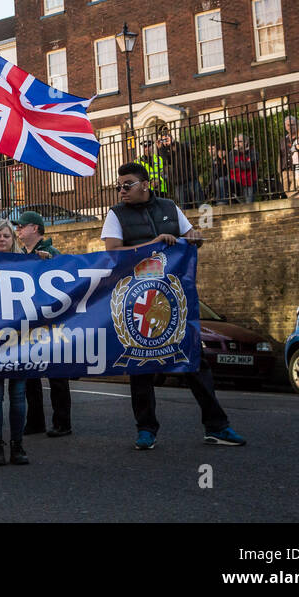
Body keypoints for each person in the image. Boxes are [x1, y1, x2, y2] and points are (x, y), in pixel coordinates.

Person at [102, 162, 246, 450]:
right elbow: (112, 253)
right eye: (118, 186)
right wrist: (151, 244)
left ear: (145, 184)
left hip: (173, 299)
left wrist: (192, 238)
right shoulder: (116, 214)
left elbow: (192, 236)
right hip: (139, 300)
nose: (121, 191)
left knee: (194, 360)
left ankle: (217, 426)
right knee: (140, 364)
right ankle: (146, 429)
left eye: (127, 184)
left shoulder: (169, 206)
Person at [15, 211, 71, 438]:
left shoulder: (51, 252)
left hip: (52, 323)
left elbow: (66, 276)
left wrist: (49, 262)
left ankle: (62, 422)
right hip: (30, 321)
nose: (18, 230)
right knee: (31, 374)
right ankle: (35, 420)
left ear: (35, 228)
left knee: (57, 374)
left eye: (21, 226)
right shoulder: (21, 255)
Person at [0, 218, 29, 465]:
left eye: (6, 236)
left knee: (19, 394)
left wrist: (42, 257)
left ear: (13, 240)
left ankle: (18, 445)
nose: (2, 239)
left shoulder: (28, 263)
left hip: (20, 337)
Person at [159, 132, 201, 209]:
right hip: (178, 182)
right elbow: (166, 161)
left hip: (190, 178)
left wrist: (174, 143)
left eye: (167, 139)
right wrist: (162, 148)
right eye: (163, 140)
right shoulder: (166, 151)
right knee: (184, 206)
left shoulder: (181, 146)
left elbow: (188, 154)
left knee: (199, 202)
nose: (166, 141)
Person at [228, 133, 259, 204]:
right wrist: (243, 163)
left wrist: (238, 163)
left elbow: (250, 166)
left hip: (249, 181)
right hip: (236, 181)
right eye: (235, 142)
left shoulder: (253, 152)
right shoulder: (232, 153)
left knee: (249, 205)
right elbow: (231, 165)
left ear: (246, 142)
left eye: (239, 142)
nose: (236, 144)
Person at [277, 116, 299, 198]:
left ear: (297, 125)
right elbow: (281, 155)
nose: (290, 127)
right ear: (285, 126)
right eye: (288, 125)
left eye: (292, 125)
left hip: (296, 170)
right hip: (285, 171)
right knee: (287, 192)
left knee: (295, 192)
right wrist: (280, 170)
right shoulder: (282, 140)